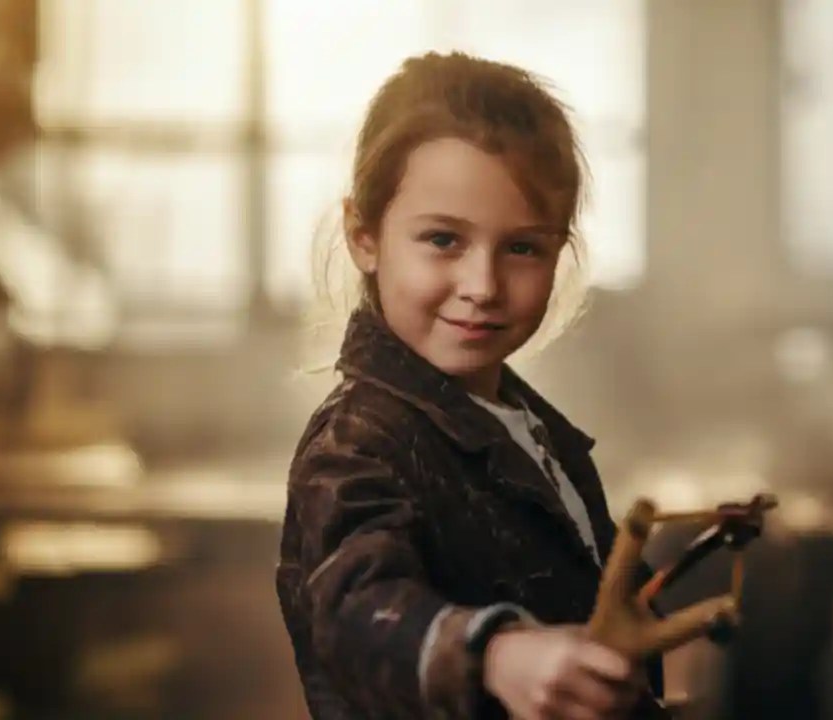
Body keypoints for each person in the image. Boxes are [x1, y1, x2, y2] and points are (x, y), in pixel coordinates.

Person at [275, 51, 667, 719]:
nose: (482, 286)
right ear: (364, 236)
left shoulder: (530, 430)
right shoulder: (357, 443)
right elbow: (352, 608)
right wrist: (495, 654)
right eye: (443, 240)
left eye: (522, 248)